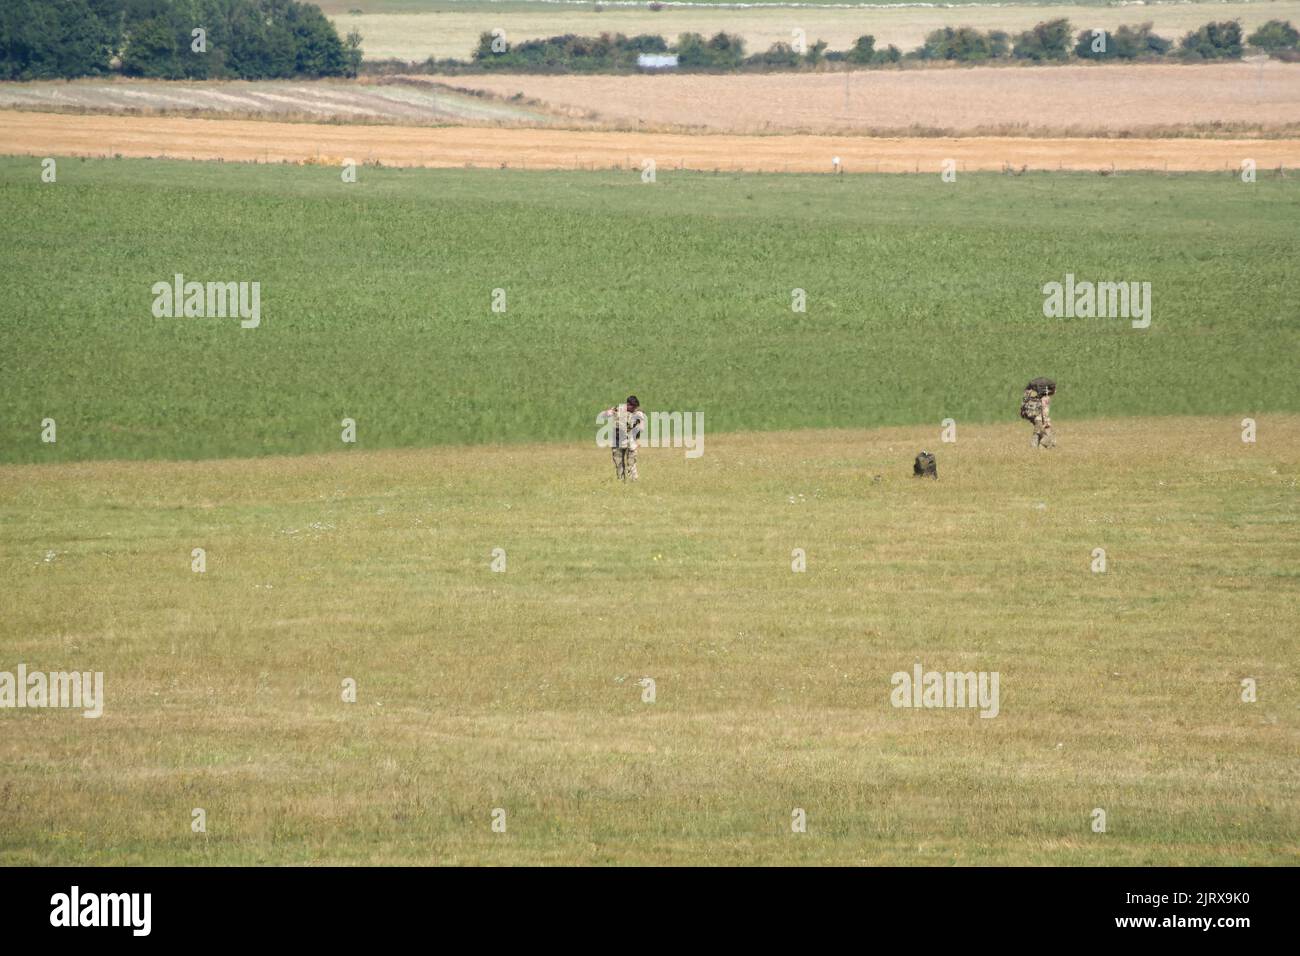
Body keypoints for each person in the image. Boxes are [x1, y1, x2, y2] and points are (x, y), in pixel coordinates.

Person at [600, 395, 646, 480]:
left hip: (630, 440)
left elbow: (641, 428)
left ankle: (634, 481)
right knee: (619, 463)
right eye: (632, 407)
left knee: (631, 463)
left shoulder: (638, 413)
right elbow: (604, 415)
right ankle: (621, 482)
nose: (633, 409)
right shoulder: (618, 409)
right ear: (627, 404)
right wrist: (609, 412)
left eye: (635, 407)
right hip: (618, 440)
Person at [1020, 378, 1056, 449]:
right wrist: (1046, 421)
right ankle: (1043, 446)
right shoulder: (1045, 399)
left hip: (1036, 417)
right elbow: (1045, 411)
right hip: (1039, 418)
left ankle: (1035, 448)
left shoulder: (1034, 398)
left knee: (1037, 432)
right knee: (1044, 434)